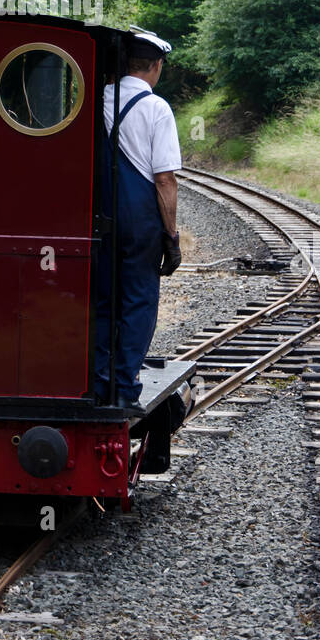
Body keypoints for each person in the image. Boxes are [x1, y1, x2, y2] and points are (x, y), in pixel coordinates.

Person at [95, 27, 183, 413]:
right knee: (138, 300)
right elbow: (164, 178)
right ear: (156, 66)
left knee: (100, 298)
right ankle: (123, 383)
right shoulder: (155, 108)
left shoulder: (96, 101)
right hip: (139, 216)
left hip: (96, 213)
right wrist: (171, 234)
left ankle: (96, 382)